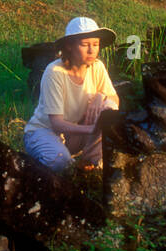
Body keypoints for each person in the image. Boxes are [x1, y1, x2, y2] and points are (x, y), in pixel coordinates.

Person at [24, 16, 120, 173]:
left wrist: (100, 96)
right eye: (85, 45)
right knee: (61, 163)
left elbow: (115, 99)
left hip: (74, 133)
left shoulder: (97, 67)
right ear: (69, 46)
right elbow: (56, 123)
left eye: (95, 44)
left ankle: (92, 163)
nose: (91, 50)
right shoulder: (55, 72)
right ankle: (39, 164)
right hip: (44, 132)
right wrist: (92, 129)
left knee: (108, 107)